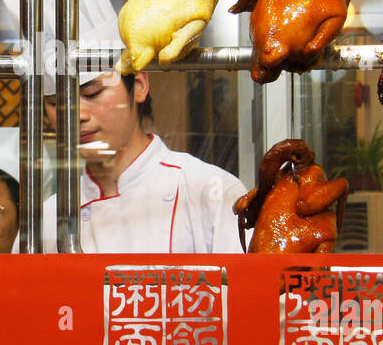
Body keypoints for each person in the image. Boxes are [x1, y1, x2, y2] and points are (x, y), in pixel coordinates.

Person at [41, 69, 249, 254]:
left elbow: (256, 293)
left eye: (92, 94)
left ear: (139, 85)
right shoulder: (48, 217)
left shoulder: (212, 191)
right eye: (56, 102)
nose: (77, 114)